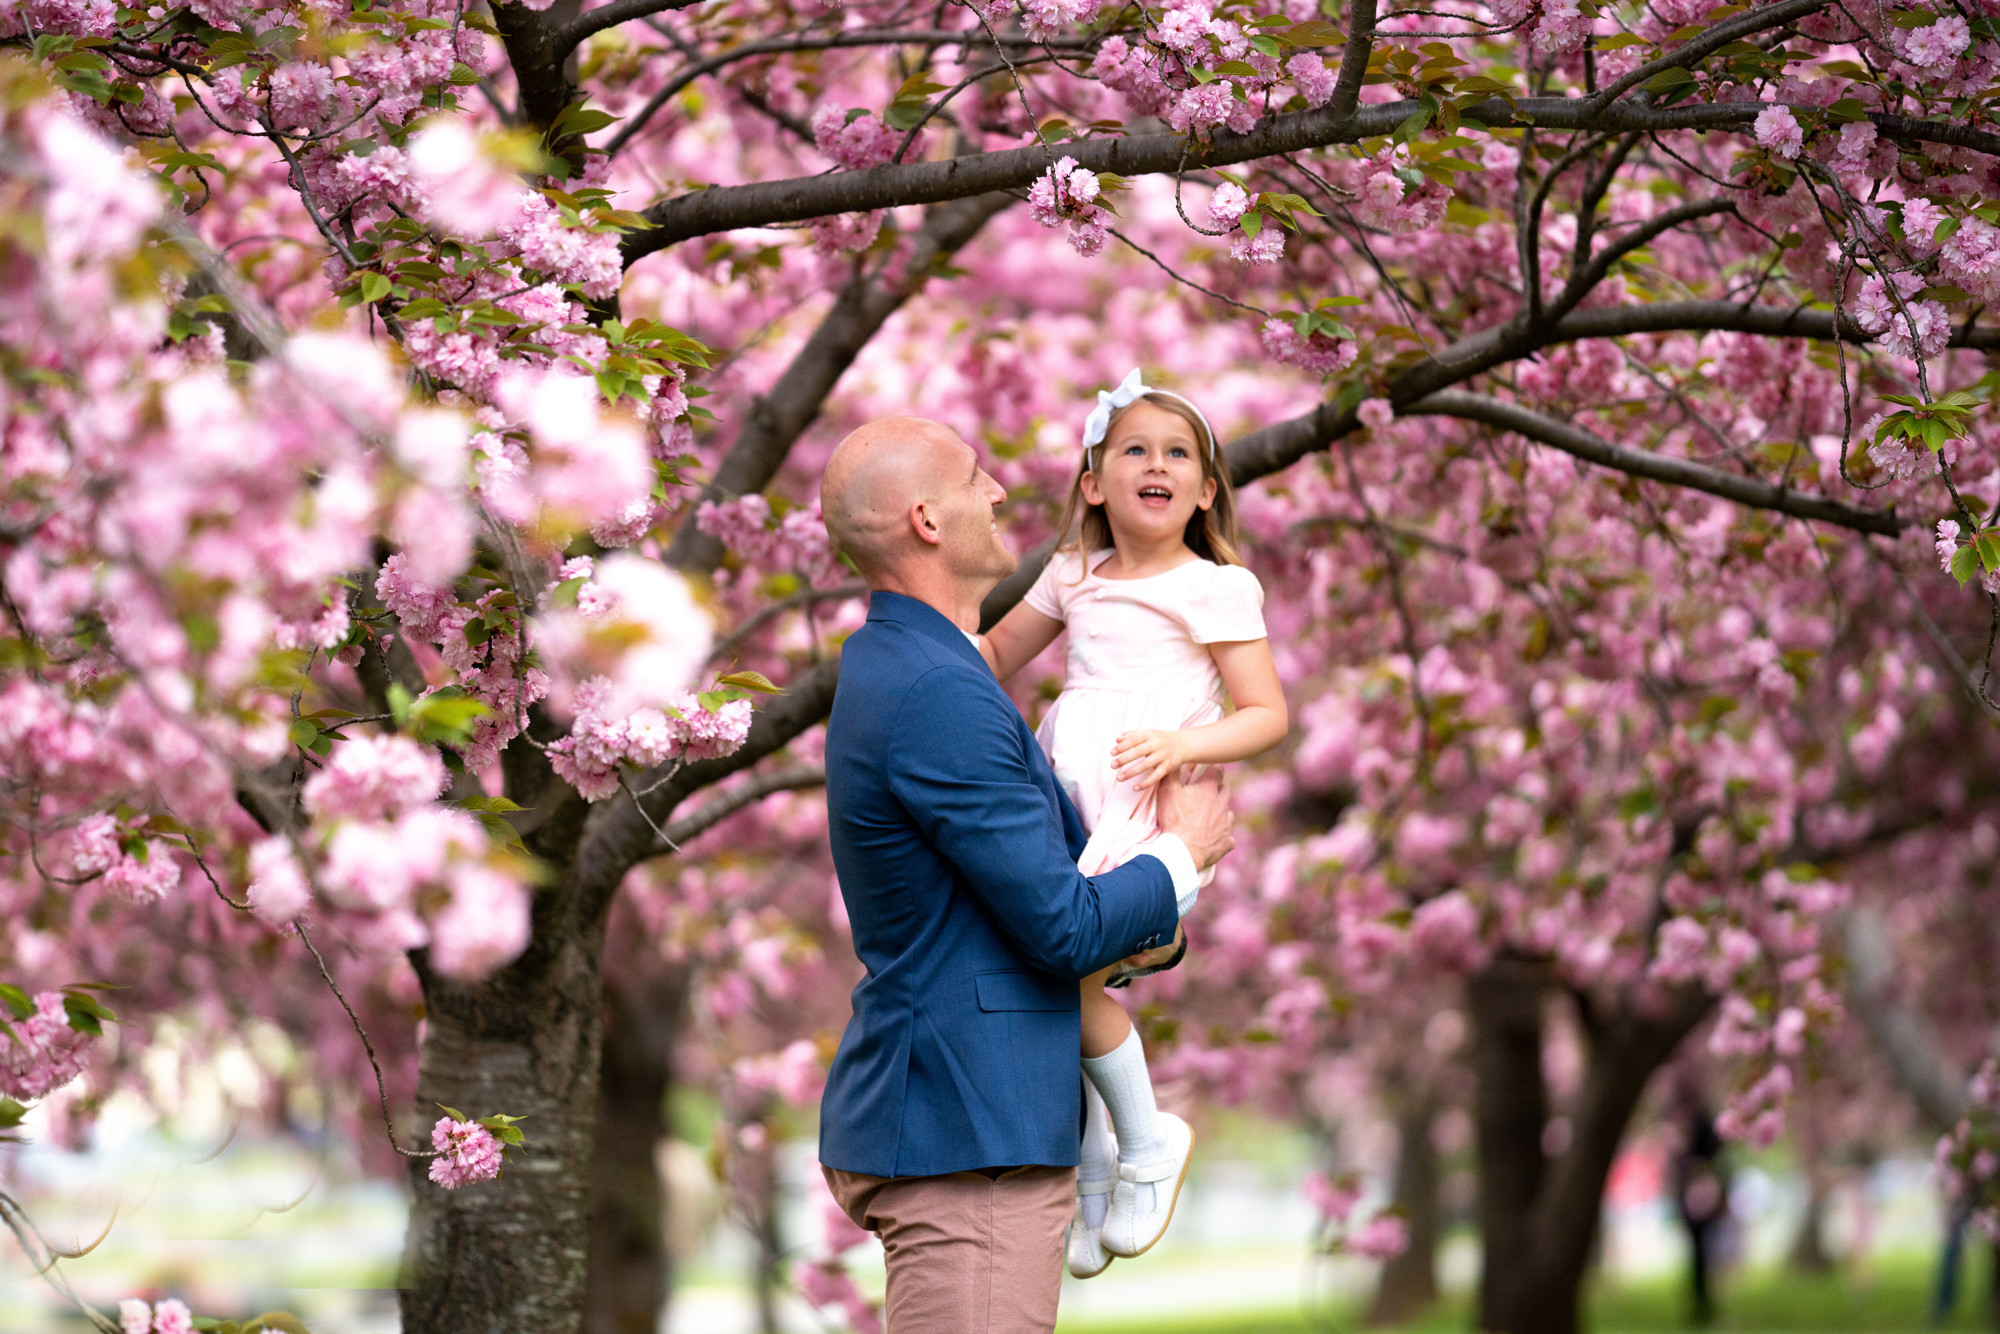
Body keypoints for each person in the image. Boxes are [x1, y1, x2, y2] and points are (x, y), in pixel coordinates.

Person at [816, 415, 1237, 1334]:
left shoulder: (917, 667)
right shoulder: (935, 690)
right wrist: (1183, 853)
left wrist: (1147, 912)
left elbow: (1018, 906)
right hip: (969, 1139)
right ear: (928, 520)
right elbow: (1060, 927)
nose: (1001, 492)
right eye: (976, 479)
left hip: (967, 1120)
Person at [979, 370, 1287, 1274]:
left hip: (1146, 798)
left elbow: (1266, 713)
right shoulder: (1072, 570)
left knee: (1065, 975)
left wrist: (1179, 741)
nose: (1157, 464)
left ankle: (1141, 1144)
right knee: (1045, 978)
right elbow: (995, 655)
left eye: (1178, 453)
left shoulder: (1217, 587)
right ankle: (1098, 1161)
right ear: (1093, 482)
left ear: (1205, 491)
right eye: (1135, 449)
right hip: (1068, 789)